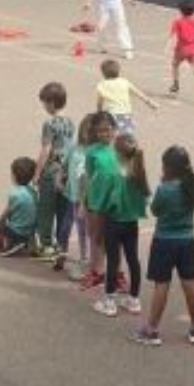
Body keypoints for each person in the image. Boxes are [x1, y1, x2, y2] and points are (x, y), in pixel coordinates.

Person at [133, 145, 194, 347]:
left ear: (168, 168)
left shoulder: (165, 189)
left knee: (162, 285)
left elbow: (155, 210)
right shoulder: (193, 186)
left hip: (164, 240)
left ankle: (152, 330)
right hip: (187, 240)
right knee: (189, 284)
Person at [95, 131, 150, 317]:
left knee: (113, 260)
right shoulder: (138, 172)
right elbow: (145, 196)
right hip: (131, 223)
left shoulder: (113, 174)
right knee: (133, 259)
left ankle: (109, 301)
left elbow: (105, 201)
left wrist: (98, 223)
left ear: (117, 152)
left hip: (114, 222)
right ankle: (134, 299)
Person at [34, 82, 76, 262]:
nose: (44, 106)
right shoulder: (70, 122)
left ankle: (46, 245)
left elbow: (46, 149)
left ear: (51, 103)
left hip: (52, 170)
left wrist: (37, 173)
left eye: (44, 102)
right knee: (63, 210)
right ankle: (61, 245)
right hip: (66, 169)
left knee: (46, 209)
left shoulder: (49, 123)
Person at [81, 111, 121, 290]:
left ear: (115, 128)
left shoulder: (121, 149)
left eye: (108, 129)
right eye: (100, 131)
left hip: (116, 203)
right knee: (97, 237)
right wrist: (84, 202)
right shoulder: (91, 152)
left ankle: (116, 274)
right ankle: (96, 271)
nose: (105, 134)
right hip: (96, 201)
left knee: (115, 240)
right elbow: (89, 177)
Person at [0, 157, 39, 257]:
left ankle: (8, 243)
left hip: (17, 231)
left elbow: (6, 214)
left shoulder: (15, 194)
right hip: (30, 230)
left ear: (14, 176)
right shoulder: (33, 191)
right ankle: (19, 242)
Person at [62, 114, 94, 280]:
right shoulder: (75, 147)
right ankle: (84, 257)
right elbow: (66, 163)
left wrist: (83, 202)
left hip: (88, 200)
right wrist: (60, 176)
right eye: (86, 130)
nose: (87, 134)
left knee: (90, 231)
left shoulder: (94, 153)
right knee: (81, 229)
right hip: (74, 195)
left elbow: (89, 179)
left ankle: (91, 263)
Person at [96, 57, 159, 135]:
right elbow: (138, 93)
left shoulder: (101, 85)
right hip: (125, 113)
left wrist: (99, 112)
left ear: (103, 73)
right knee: (126, 134)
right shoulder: (124, 82)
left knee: (112, 133)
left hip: (111, 114)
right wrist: (150, 103)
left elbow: (99, 102)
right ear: (118, 71)